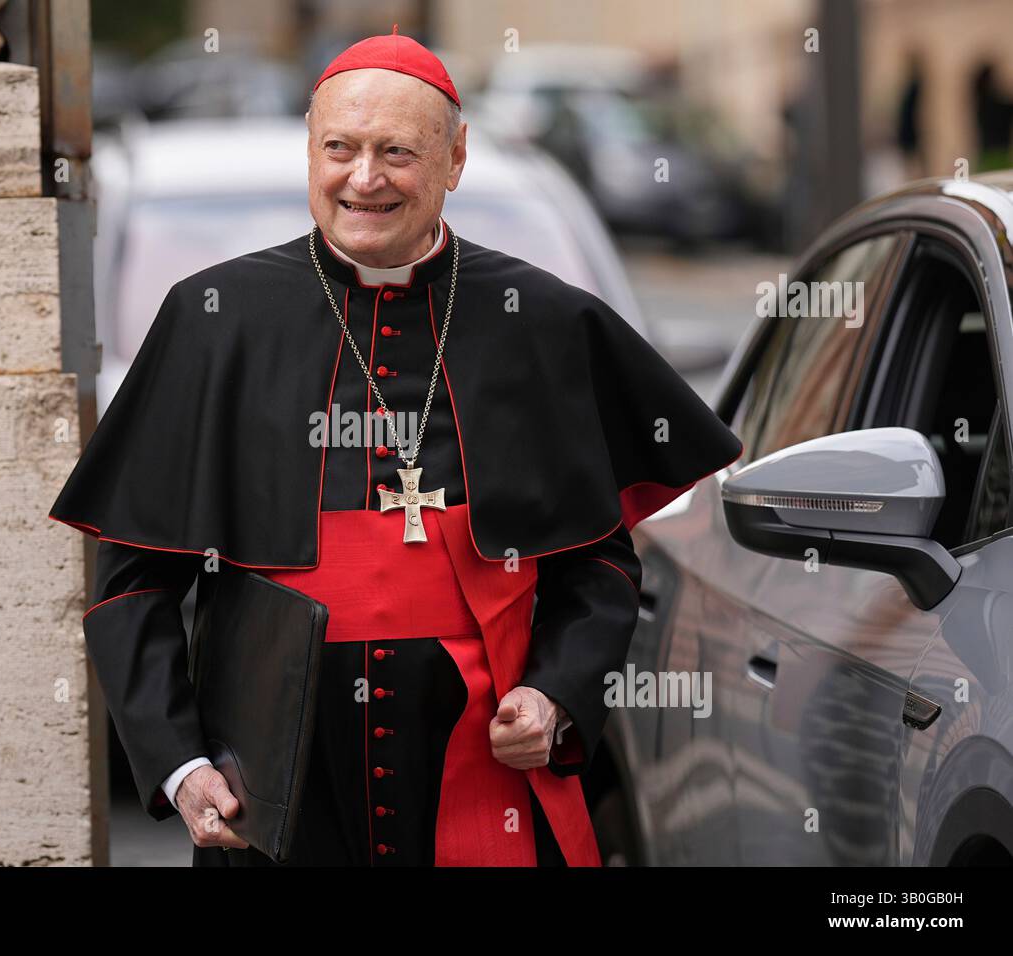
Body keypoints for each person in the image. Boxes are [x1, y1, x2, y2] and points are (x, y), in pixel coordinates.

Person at [50, 28, 743, 866]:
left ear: (455, 161)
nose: (364, 178)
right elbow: (128, 586)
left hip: (483, 765)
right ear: (311, 153)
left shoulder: (542, 321)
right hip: (278, 784)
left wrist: (557, 696)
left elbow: (598, 566)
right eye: (339, 148)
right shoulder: (214, 320)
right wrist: (182, 765)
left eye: (397, 152)